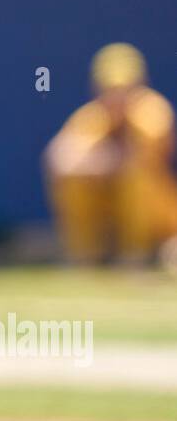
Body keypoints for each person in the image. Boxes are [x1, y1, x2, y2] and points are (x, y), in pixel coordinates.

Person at [43, 42, 177, 265]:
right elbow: (58, 160)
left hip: (159, 219)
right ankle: (87, 254)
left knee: (136, 178)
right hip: (109, 215)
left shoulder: (152, 113)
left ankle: (139, 253)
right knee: (73, 183)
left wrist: (94, 161)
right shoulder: (93, 117)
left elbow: (137, 162)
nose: (118, 97)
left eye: (125, 89)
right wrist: (99, 163)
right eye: (111, 90)